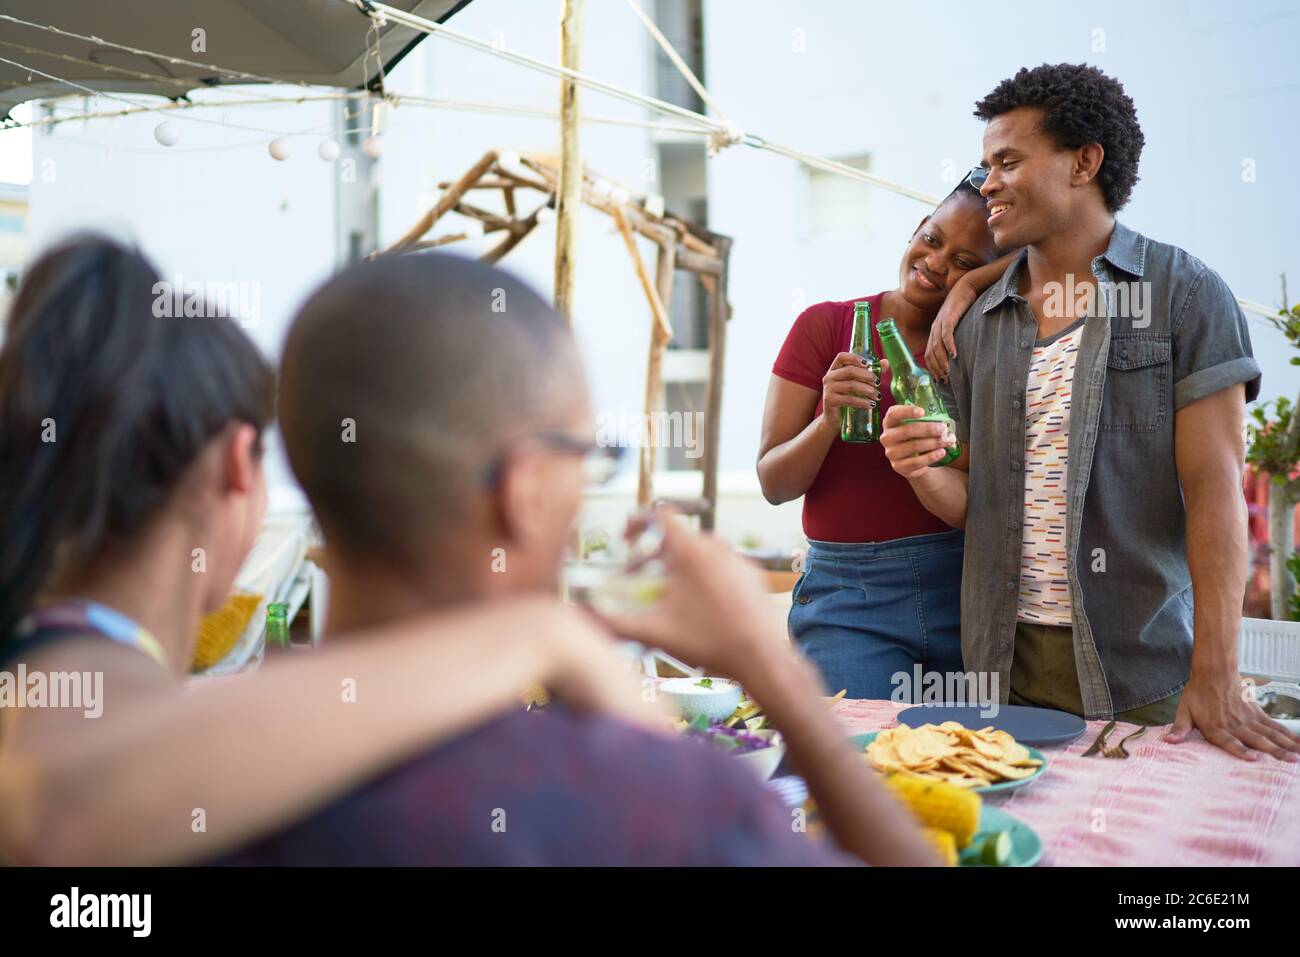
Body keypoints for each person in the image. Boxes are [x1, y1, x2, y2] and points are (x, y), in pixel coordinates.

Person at [221, 250, 940, 865]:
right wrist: (772, 674)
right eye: (590, 455)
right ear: (527, 488)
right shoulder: (660, 800)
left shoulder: (175, 777)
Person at [0, 234, 668, 866]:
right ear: (240, 462)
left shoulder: (82, 671)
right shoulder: (70, 705)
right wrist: (536, 635)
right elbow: (56, 810)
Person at [880, 63, 1300, 762]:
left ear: (1084, 162)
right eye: (986, 165)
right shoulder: (978, 321)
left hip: (1142, 675)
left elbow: (1215, 492)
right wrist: (921, 467)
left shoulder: (1184, 296)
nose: (988, 183)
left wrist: (1218, 672)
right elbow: (972, 504)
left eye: (1007, 161)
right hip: (999, 676)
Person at [758, 178, 1013, 699]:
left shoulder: (988, 348)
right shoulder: (826, 327)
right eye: (934, 239)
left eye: (967, 262)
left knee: (958, 761)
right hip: (848, 602)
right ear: (917, 229)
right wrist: (828, 419)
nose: (937, 264)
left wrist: (969, 290)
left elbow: (1058, 261)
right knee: (857, 762)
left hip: (963, 592)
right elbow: (774, 482)